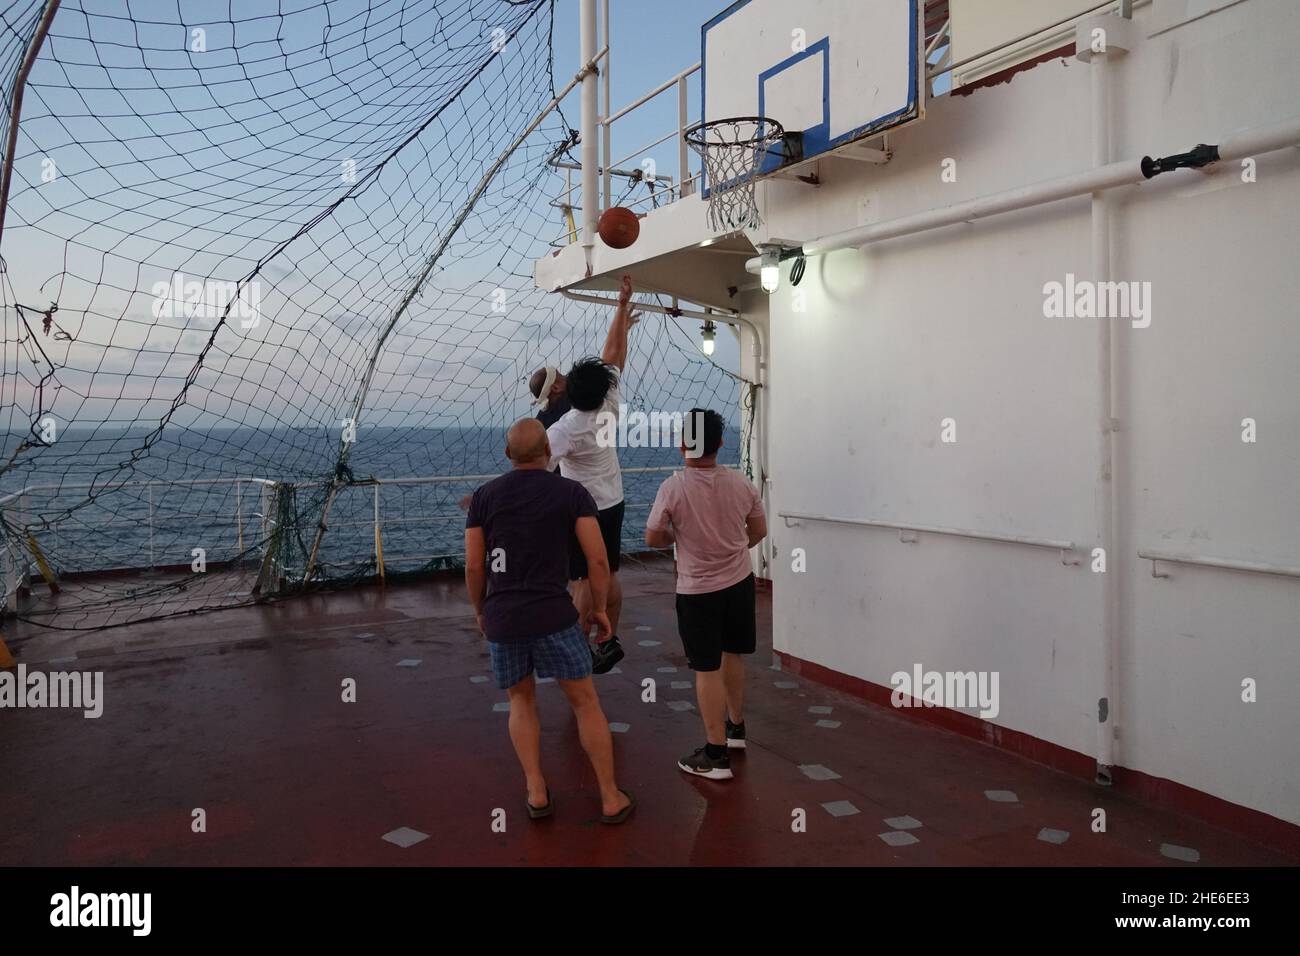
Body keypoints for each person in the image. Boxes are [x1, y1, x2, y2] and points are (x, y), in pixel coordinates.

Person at [465, 417, 635, 823]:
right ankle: (610, 797)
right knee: (584, 702)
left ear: (507, 455)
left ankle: (536, 790)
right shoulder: (571, 493)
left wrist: (480, 609)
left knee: (521, 701)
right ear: (547, 453)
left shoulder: (484, 498)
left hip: (505, 618)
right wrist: (597, 608)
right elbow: (597, 559)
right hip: (555, 617)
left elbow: (474, 566)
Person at [645, 408, 766, 780]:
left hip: (698, 591)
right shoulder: (741, 483)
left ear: (682, 443)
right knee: (733, 654)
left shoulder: (674, 487)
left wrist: (679, 537)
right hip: (739, 583)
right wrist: (729, 548)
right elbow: (758, 531)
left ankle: (715, 754)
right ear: (720, 443)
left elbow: (653, 537)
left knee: (705, 668)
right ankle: (736, 728)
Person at [545, 274, 638, 661]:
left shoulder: (564, 429)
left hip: (583, 510)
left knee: (581, 579)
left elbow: (533, 467)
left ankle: (579, 646)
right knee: (609, 574)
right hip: (612, 501)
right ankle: (607, 637)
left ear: (566, 393)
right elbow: (614, 354)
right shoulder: (609, 400)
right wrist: (620, 307)